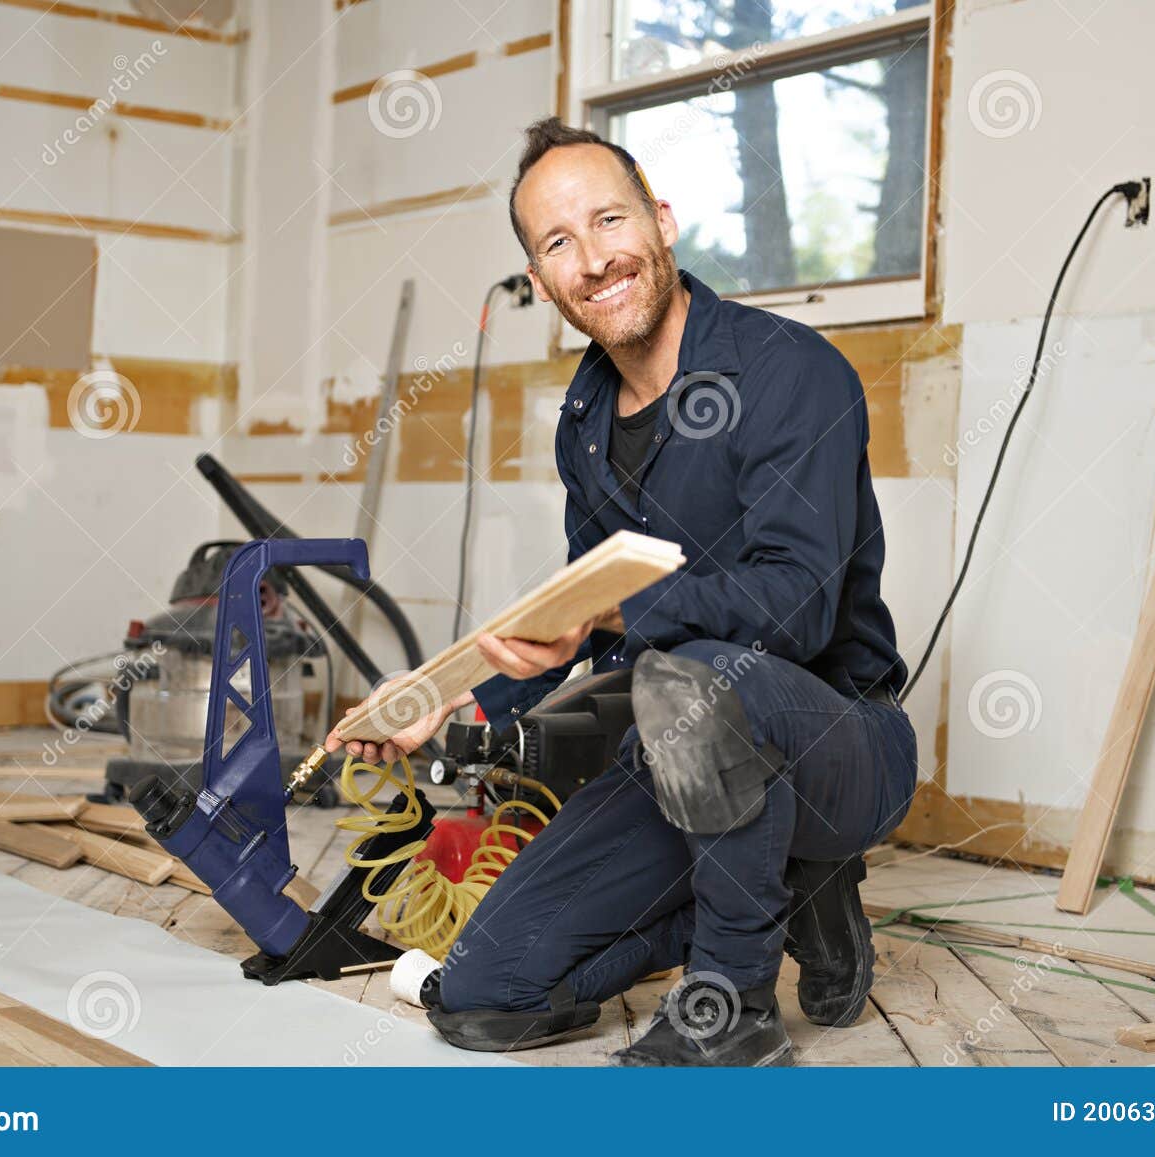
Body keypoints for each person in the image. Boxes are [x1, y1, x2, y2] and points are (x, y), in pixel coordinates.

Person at [327, 118, 917, 1067]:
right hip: (682, 748)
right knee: (482, 996)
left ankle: (736, 999)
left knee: (697, 677)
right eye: (558, 243)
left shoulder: (790, 373)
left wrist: (622, 614)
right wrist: (447, 702)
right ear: (540, 278)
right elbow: (580, 624)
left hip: (838, 744)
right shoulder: (586, 418)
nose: (593, 259)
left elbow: (796, 611)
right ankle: (790, 892)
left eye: (609, 221)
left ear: (664, 221)